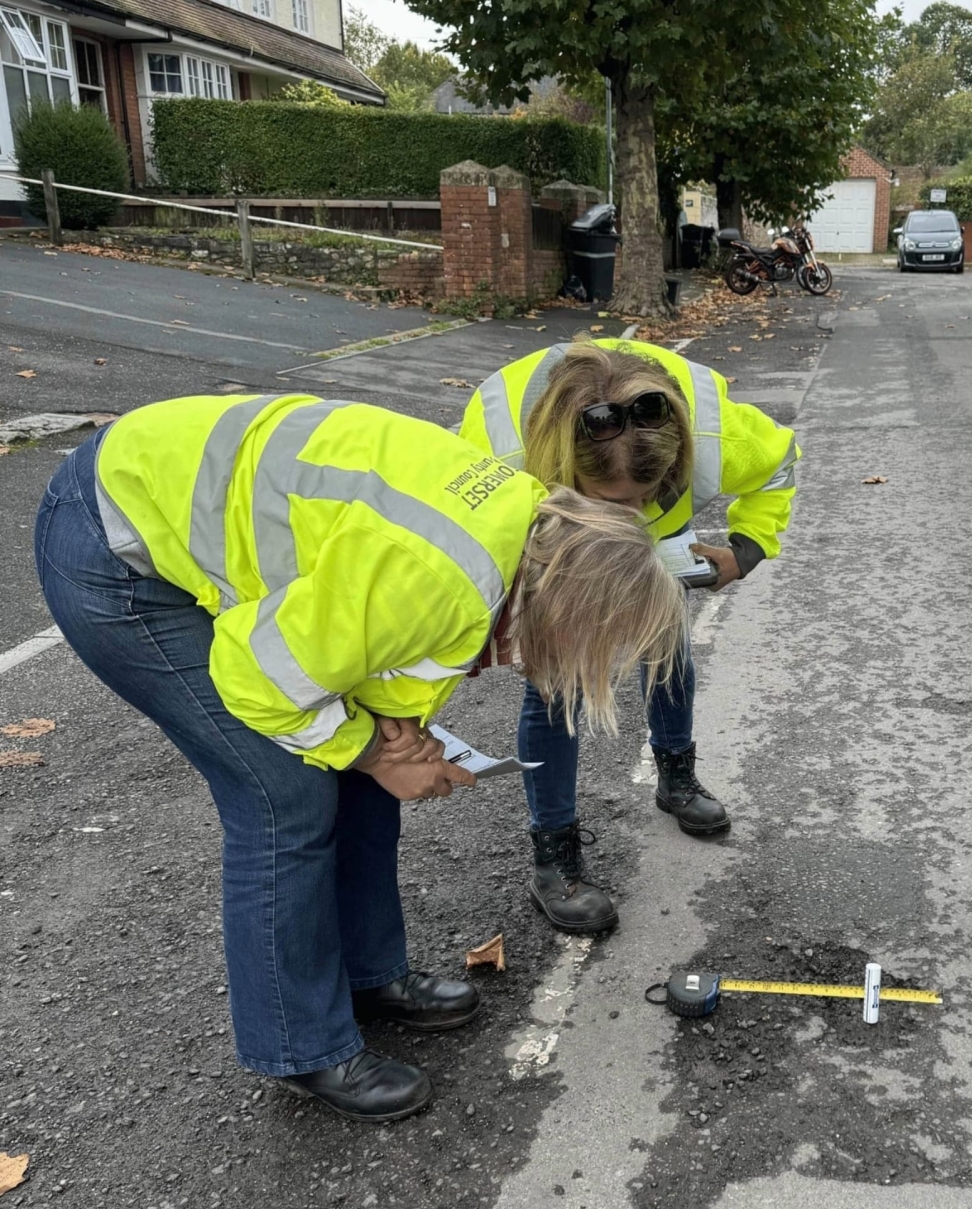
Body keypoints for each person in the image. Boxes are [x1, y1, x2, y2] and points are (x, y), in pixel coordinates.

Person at [34, 393, 686, 1122]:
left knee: (358, 781)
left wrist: (400, 740)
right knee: (284, 796)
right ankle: (301, 1045)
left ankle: (369, 979)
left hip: (163, 488)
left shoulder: (528, 524)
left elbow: (369, 643)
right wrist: (375, 748)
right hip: (114, 542)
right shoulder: (438, 580)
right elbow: (259, 677)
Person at [459, 339, 799, 934]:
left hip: (636, 532)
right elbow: (470, 547)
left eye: (649, 495)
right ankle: (553, 855)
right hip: (552, 535)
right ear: (564, 466)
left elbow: (780, 464)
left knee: (667, 640)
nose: (636, 515)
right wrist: (508, 620)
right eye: (620, 504)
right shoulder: (498, 451)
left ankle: (676, 776)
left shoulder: (719, 437)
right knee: (554, 683)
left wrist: (745, 550)